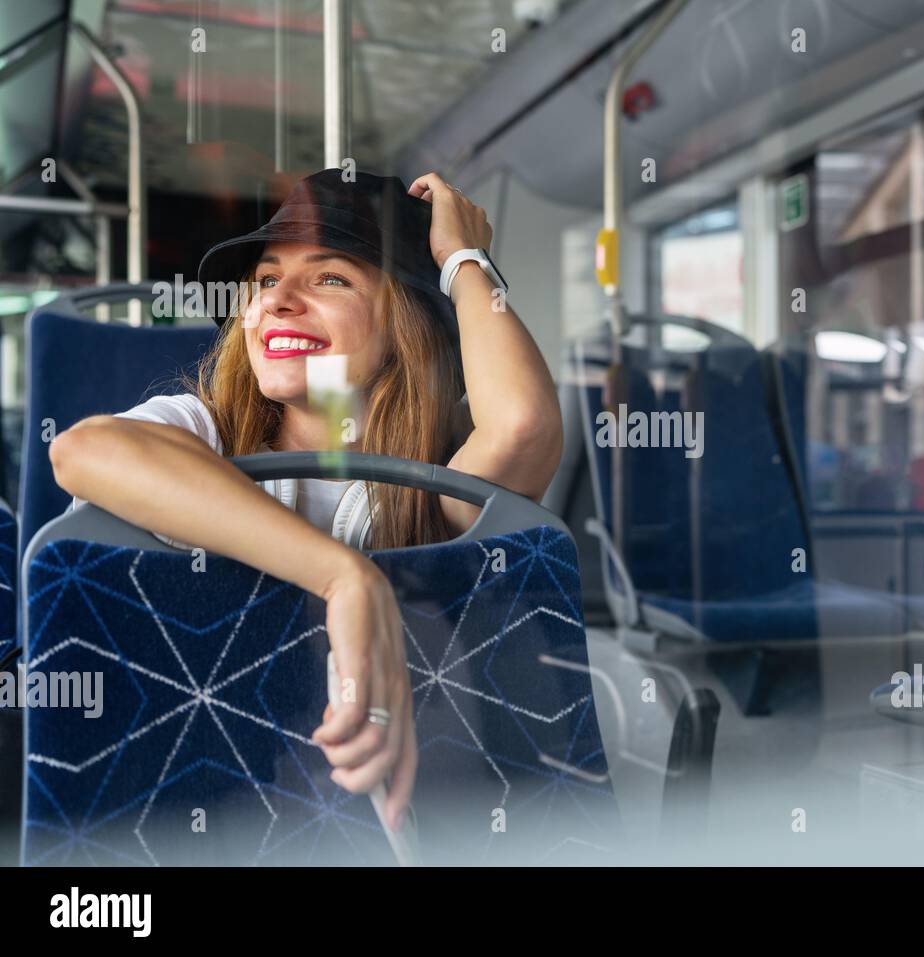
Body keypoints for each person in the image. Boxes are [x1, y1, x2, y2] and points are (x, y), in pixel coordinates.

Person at [48, 168, 563, 831]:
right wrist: (346, 578)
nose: (277, 301)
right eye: (265, 279)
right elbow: (82, 450)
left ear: (407, 322)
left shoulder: (427, 488)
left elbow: (523, 424)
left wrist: (463, 259)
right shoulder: (204, 433)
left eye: (330, 278)